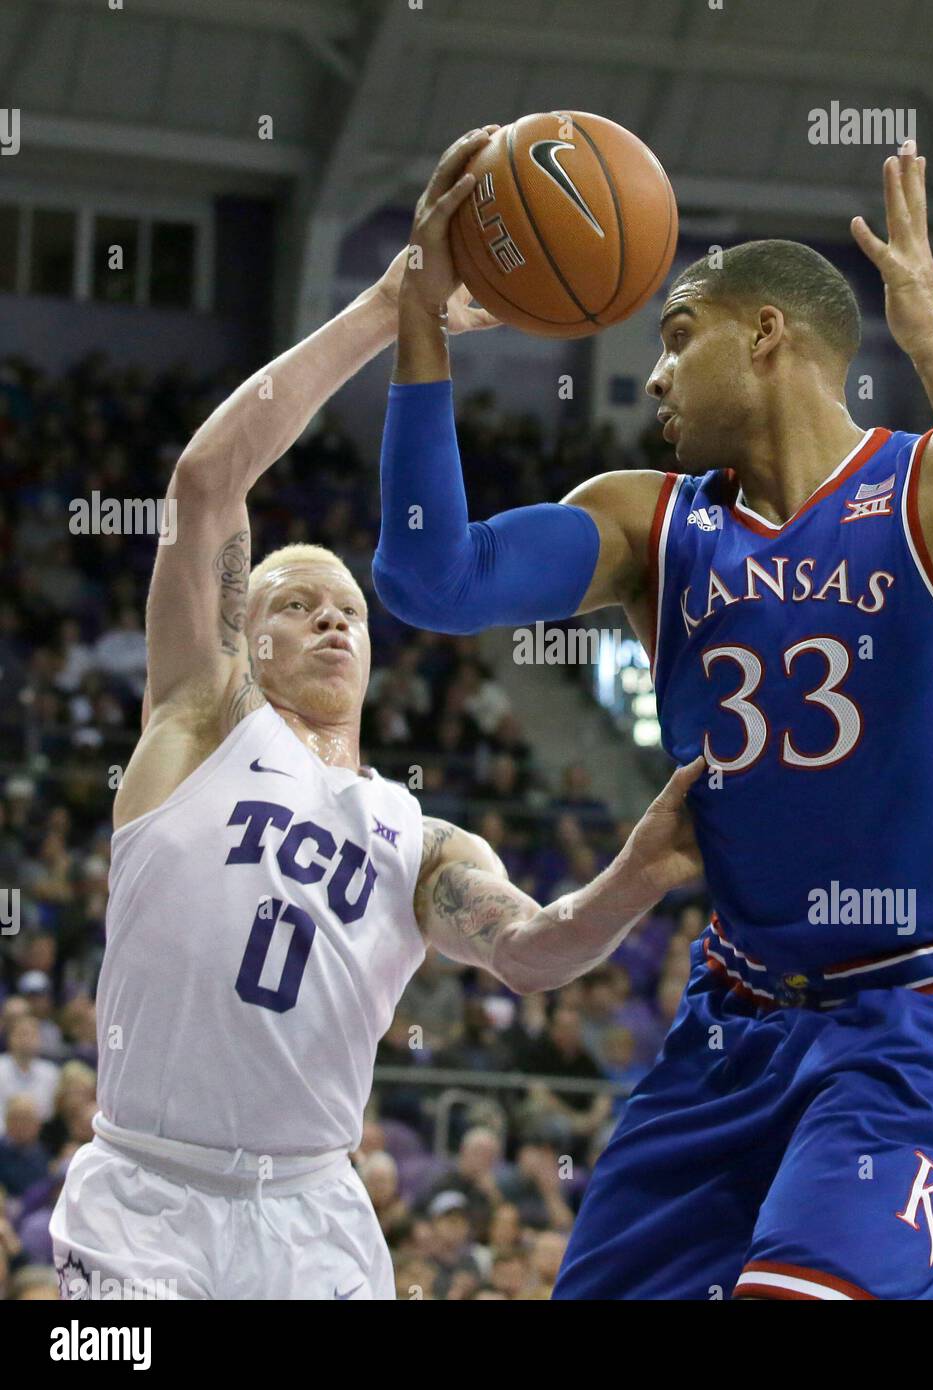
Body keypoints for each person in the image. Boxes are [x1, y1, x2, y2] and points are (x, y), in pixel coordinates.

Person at [374, 129, 933, 1299]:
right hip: (734, 1019)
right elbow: (431, 577)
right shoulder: (647, 524)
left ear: (768, 335)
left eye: (678, 338)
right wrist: (420, 320)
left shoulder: (929, 483)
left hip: (919, 1017)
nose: (656, 377)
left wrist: (929, 339)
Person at [48, 238, 705, 1302]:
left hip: (314, 1218)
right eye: (296, 604)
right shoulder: (201, 720)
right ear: (242, 641)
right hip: (145, 1201)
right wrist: (394, 304)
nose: (331, 617)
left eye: (348, 606)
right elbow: (208, 482)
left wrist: (637, 869)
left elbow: (534, 952)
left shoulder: (419, 838)